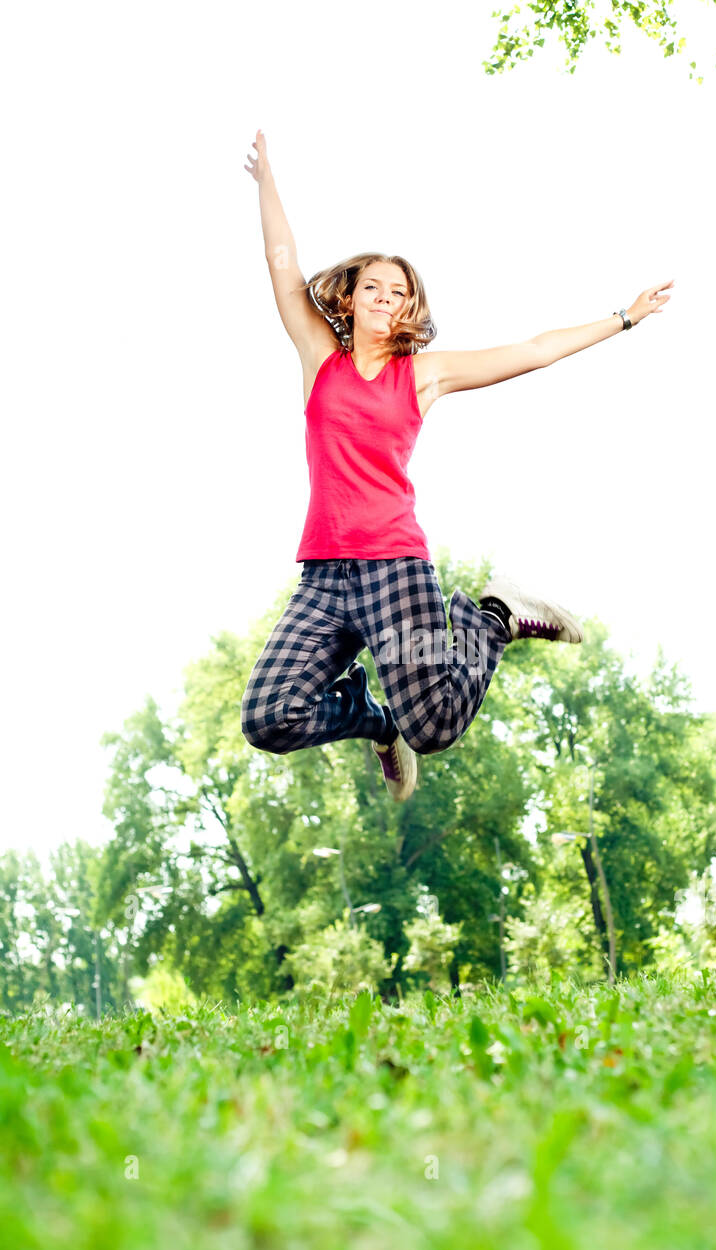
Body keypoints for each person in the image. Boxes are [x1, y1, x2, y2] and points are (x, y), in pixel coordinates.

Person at [240, 130, 673, 802]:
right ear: (351, 296)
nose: (387, 297)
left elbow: (531, 349)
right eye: (375, 286)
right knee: (267, 718)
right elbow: (282, 264)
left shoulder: (423, 376)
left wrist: (623, 317)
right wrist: (268, 178)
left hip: (393, 572)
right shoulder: (319, 358)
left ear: (409, 309)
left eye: (400, 292)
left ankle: (493, 616)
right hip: (324, 580)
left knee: (437, 728)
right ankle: (371, 719)